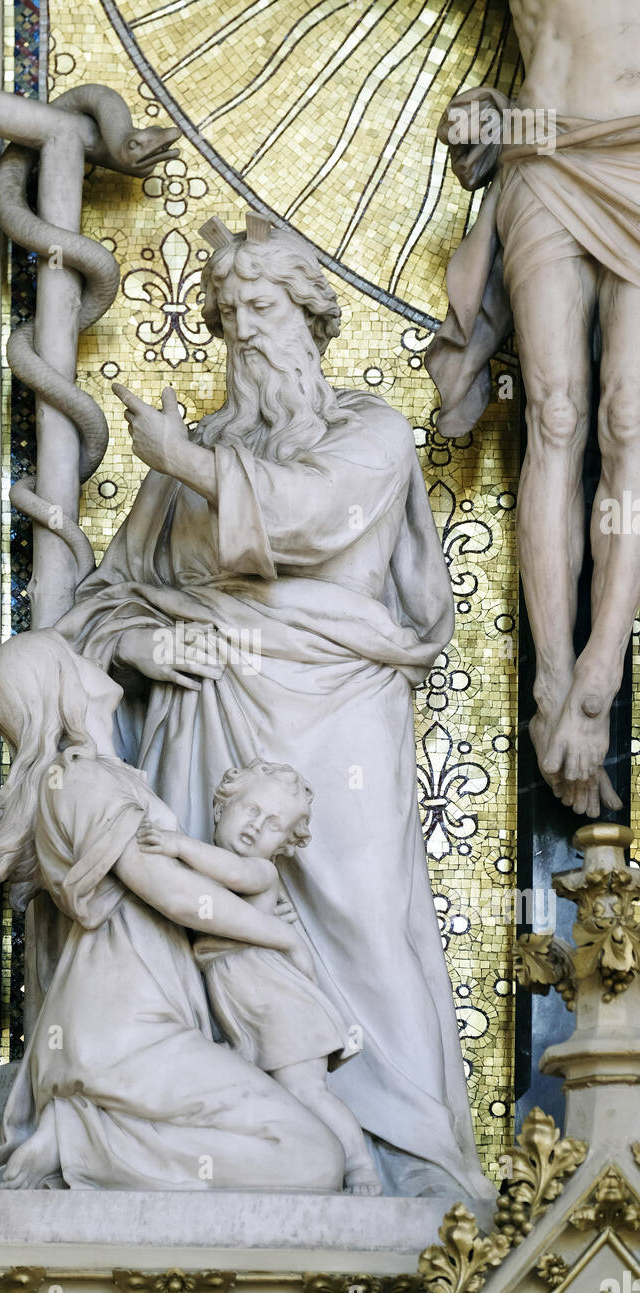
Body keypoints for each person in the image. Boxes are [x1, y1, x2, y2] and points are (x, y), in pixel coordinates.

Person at [56, 215, 492, 1203]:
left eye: (264, 306)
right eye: (227, 312)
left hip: (338, 725)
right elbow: (110, 603)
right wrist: (146, 642)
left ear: (309, 312)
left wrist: (183, 460)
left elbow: (306, 516)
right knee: (206, 931)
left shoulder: (365, 432)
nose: (245, 329)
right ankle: (238, 1149)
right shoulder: (195, 452)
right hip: (204, 727)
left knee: (366, 923)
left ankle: (408, 1162)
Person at [0, 630, 345, 1219]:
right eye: (71, 657)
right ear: (59, 690)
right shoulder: (79, 779)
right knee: (313, 1159)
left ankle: (82, 1139)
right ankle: (79, 1141)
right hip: (124, 1030)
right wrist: (281, 935)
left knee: (306, 1150)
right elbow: (175, 897)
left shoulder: (106, 776)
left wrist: (252, 908)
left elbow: (185, 896)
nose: (88, 658)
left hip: (142, 1021)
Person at [427, 0, 640, 817]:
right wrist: (483, 109)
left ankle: (600, 676)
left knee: (628, 423)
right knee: (553, 416)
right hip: (545, 148)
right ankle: (551, 675)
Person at [137, 758, 382, 1195]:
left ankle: (359, 1165)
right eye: (250, 811)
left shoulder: (259, 872)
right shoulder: (207, 875)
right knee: (272, 1099)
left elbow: (232, 873)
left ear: (283, 845)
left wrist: (179, 845)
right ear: (220, 808)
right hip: (246, 1012)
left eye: (272, 825)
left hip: (279, 1007)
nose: (254, 828)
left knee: (307, 1092)